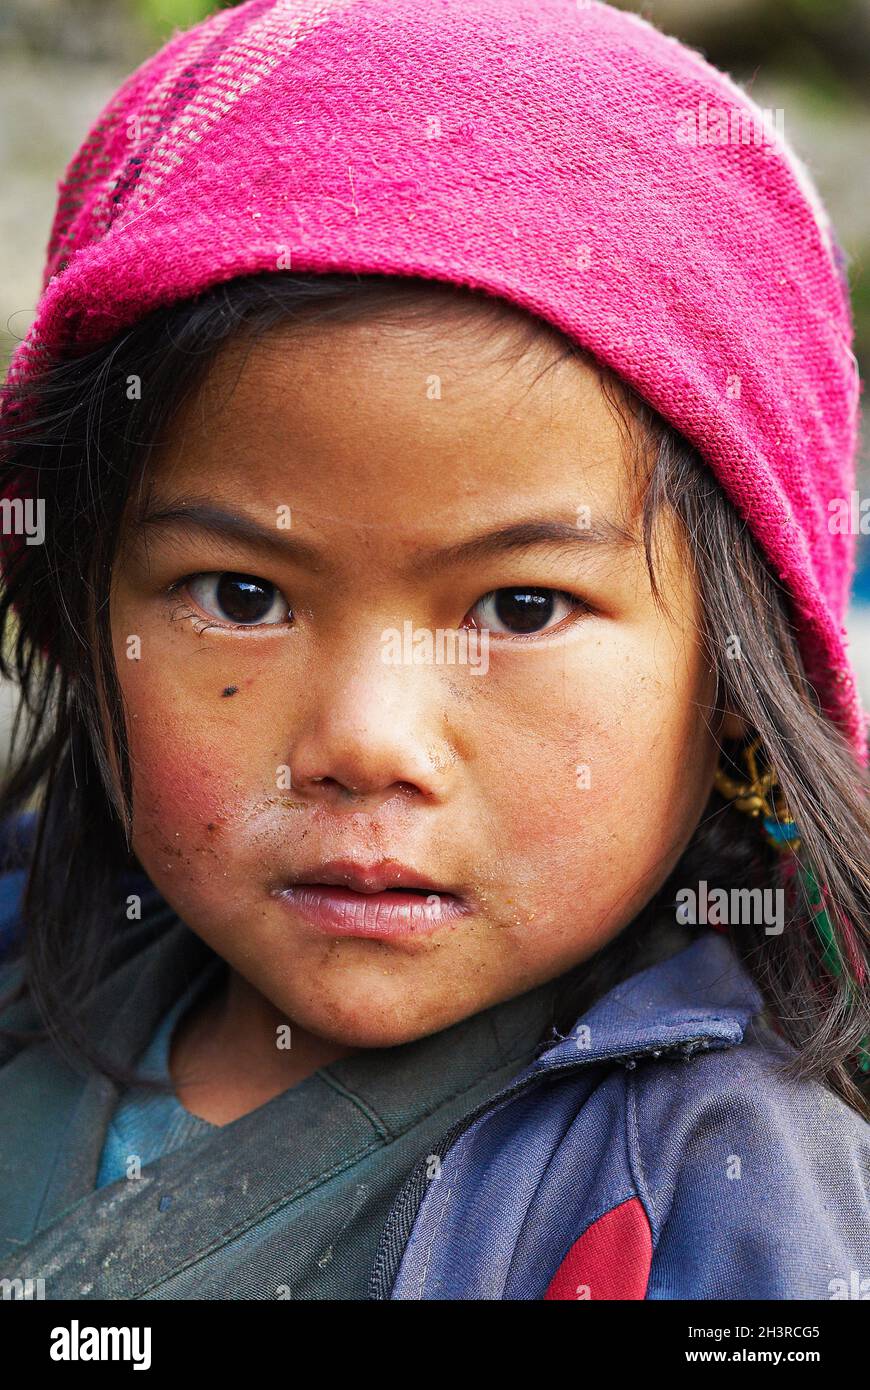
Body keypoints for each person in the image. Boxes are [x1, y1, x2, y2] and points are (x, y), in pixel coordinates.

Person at [0, 0, 867, 1300]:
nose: (364, 739)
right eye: (239, 593)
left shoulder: (721, 1189)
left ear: (738, 683)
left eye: (518, 609)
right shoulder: (28, 977)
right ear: (81, 608)